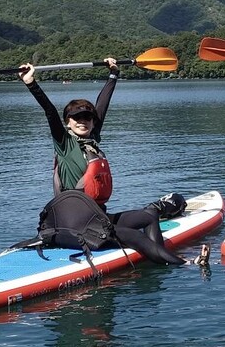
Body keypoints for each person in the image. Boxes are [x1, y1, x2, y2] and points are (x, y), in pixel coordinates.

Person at [21, 58, 206, 266]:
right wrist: (31, 83)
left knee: (149, 215)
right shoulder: (64, 143)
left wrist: (113, 74)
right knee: (136, 237)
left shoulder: (92, 139)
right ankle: (185, 264)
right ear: (68, 122)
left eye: (87, 118)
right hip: (75, 225)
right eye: (77, 118)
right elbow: (50, 112)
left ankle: (158, 254)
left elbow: (102, 106)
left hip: (98, 218)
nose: (83, 121)